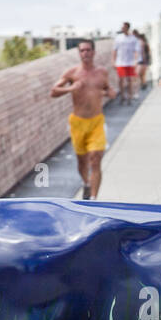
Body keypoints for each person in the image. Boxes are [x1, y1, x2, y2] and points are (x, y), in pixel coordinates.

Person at [50, 39, 115, 199]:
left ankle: (94, 199)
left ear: (93, 52)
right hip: (78, 123)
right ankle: (86, 183)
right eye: (82, 51)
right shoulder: (72, 73)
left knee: (95, 159)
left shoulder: (101, 72)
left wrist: (109, 93)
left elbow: (108, 89)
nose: (85, 53)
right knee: (82, 162)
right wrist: (71, 88)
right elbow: (53, 91)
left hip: (96, 122)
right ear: (79, 53)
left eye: (88, 50)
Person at [112, 22, 140, 103]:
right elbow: (115, 50)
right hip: (120, 62)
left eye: (124, 27)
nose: (122, 28)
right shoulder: (118, 38)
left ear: (127, 28)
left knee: (129, 80)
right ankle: (122, 96)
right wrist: (113, 61)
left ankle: (130, 97)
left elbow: (136, 51)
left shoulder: (133, 38)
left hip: (130, 62)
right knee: (121, 80)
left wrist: (135, 61)